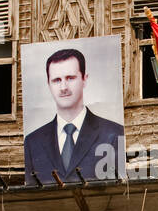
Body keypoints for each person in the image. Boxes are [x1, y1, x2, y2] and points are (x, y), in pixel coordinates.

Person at [24, 47, 124, 183]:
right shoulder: (32, 142)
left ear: (84, 79)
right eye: (57, 80)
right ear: (48, 84)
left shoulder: (114, 133)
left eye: (70, 78)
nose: (64, 87)